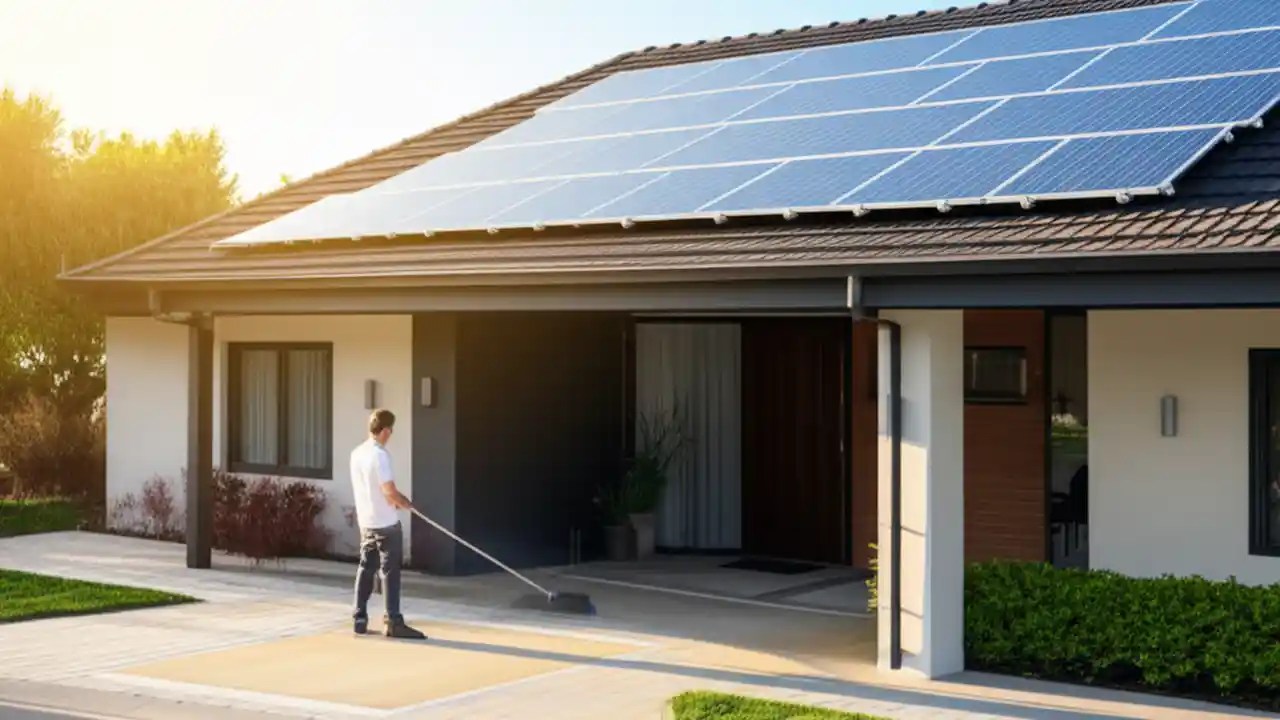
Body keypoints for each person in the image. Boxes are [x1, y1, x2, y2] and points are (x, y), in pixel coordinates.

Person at [350, 409, 425, 639]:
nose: (390, 434)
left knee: (366, 567)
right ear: (384, 430)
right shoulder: (380, 455)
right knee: (390, 571)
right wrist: (407, 504)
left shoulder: (357, 453)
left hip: (367, 522)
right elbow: (388, 491)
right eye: (390, 430)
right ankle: (393, 620)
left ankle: (359, 617)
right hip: (386, 523)